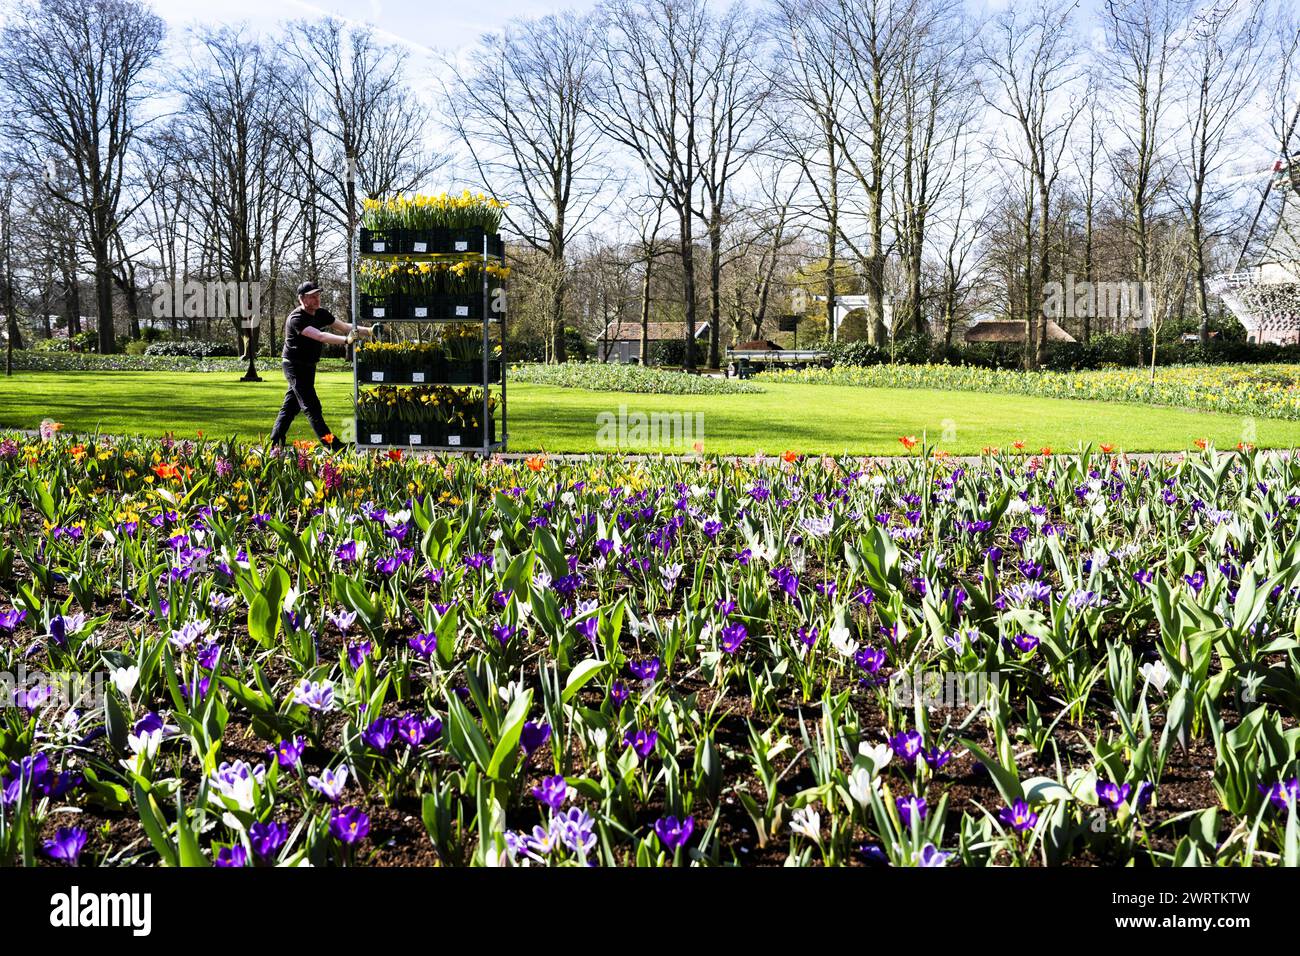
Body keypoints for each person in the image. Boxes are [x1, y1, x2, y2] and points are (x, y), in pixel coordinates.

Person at [269, 281, 379, 448]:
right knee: (311, 406)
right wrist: (346, 341)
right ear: (302, 299)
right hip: (294, 365)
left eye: (318, 295)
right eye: (312, 296)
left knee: (291, 406)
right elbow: (320, 336)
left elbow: (344, 327)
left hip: (309, 365)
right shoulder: (296, 319)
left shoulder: (321, 313)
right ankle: (333, 446)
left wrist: (369, 330)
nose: (317, 299)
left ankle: (275, 442)